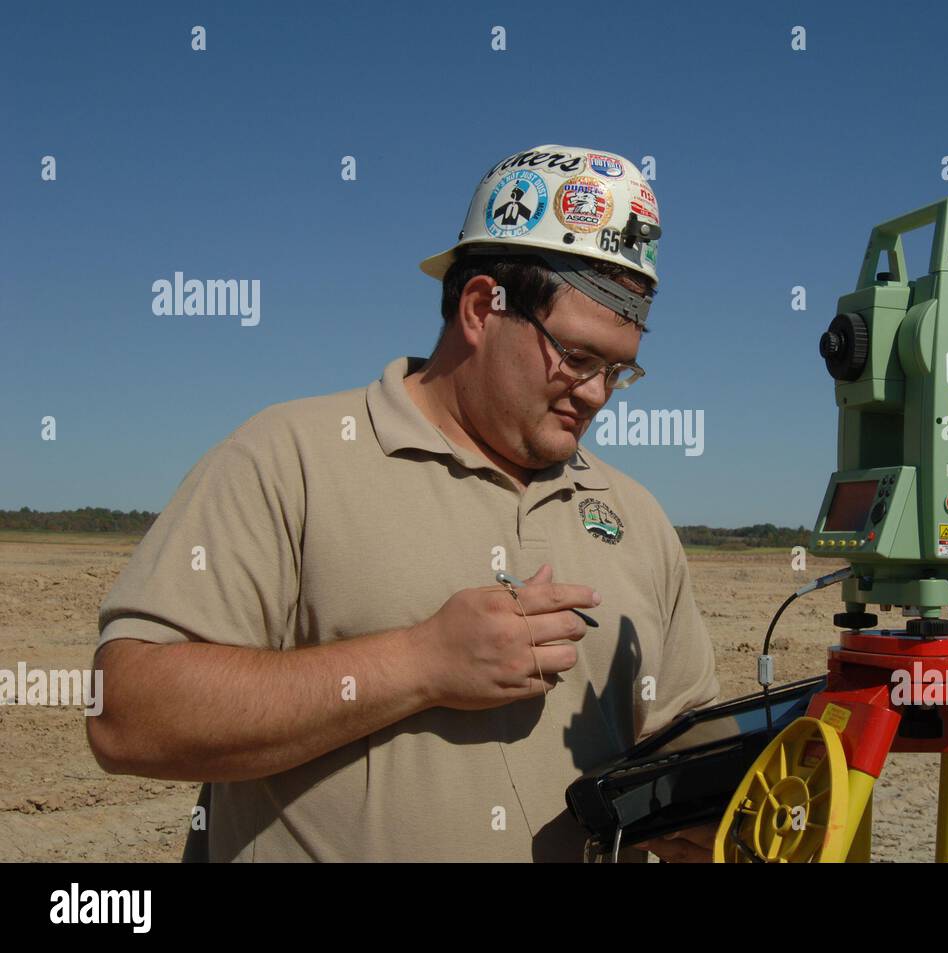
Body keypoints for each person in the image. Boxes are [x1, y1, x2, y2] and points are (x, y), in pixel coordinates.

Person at [88, 144, 720, 862]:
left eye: (618, 369)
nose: (597, 393)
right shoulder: (290, 457)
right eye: (576, 358)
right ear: (484, 307)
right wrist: (420, 662)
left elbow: (683, 744)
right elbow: (127, 712)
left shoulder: (635, 516)